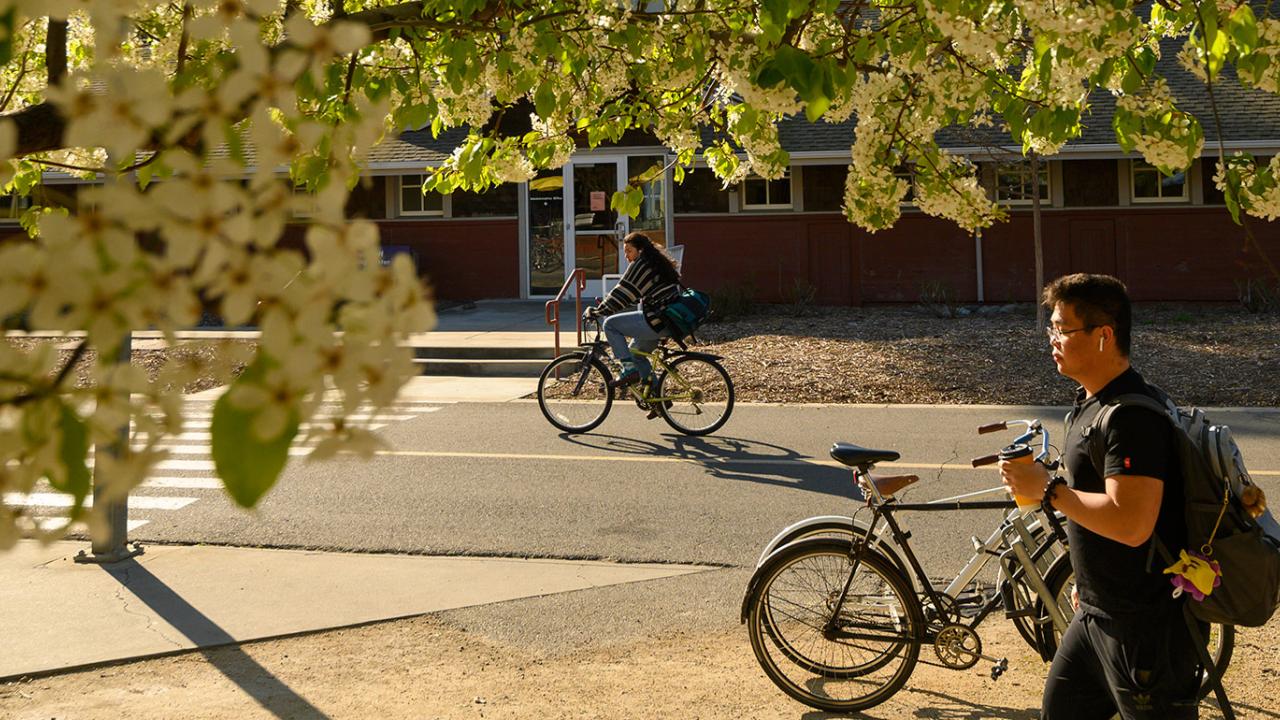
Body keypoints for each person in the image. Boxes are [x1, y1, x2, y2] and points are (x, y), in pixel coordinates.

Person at [1000, 273, 1203, 720]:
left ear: (1103, 336)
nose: (1052, 339)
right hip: (1094, 614)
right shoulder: (1092, 403)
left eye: (1063, 329)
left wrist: (1049, 490)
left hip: (1144, 626)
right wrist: (1087, 584)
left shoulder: (1131, 417)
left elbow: (1131, 524)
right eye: (1051, 328)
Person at [583, 231, 681, 386]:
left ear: (640, 250)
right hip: (667, 321)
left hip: (656, 320)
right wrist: (609, 304)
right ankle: (658, 402)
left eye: (629, 251)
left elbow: (623, 292)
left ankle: (629, 370)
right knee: (635, 353)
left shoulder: (641, 265)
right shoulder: (654, 262)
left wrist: (598, 312)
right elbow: (631, 296)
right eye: (624, 252)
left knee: (609, 324)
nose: (626, 256)